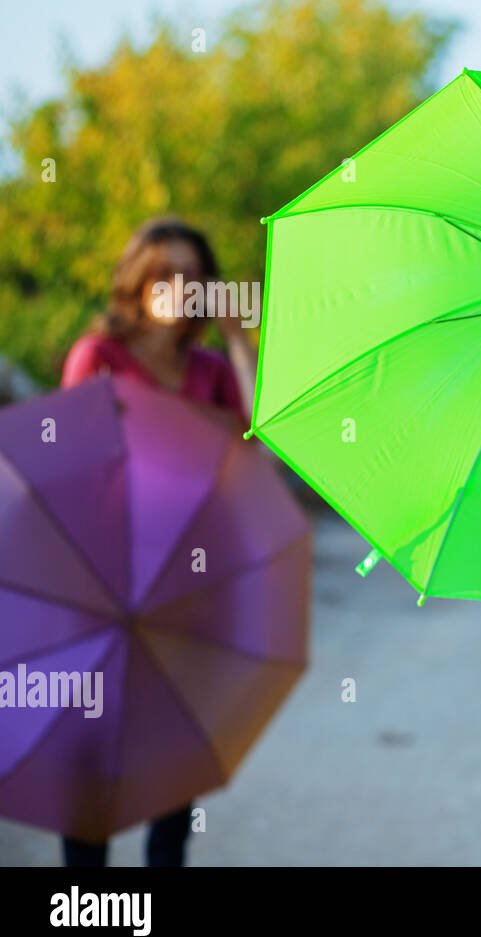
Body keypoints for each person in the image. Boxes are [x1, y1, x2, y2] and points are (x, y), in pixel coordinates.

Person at [58, 215, 258, 866]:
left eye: (196, 278)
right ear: (136, 282)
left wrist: (237, 335)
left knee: (175, 773)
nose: (181, 288)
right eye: (165, 275)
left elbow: (253, 447)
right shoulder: (98, 358)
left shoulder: (209, 369)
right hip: (104, 588)